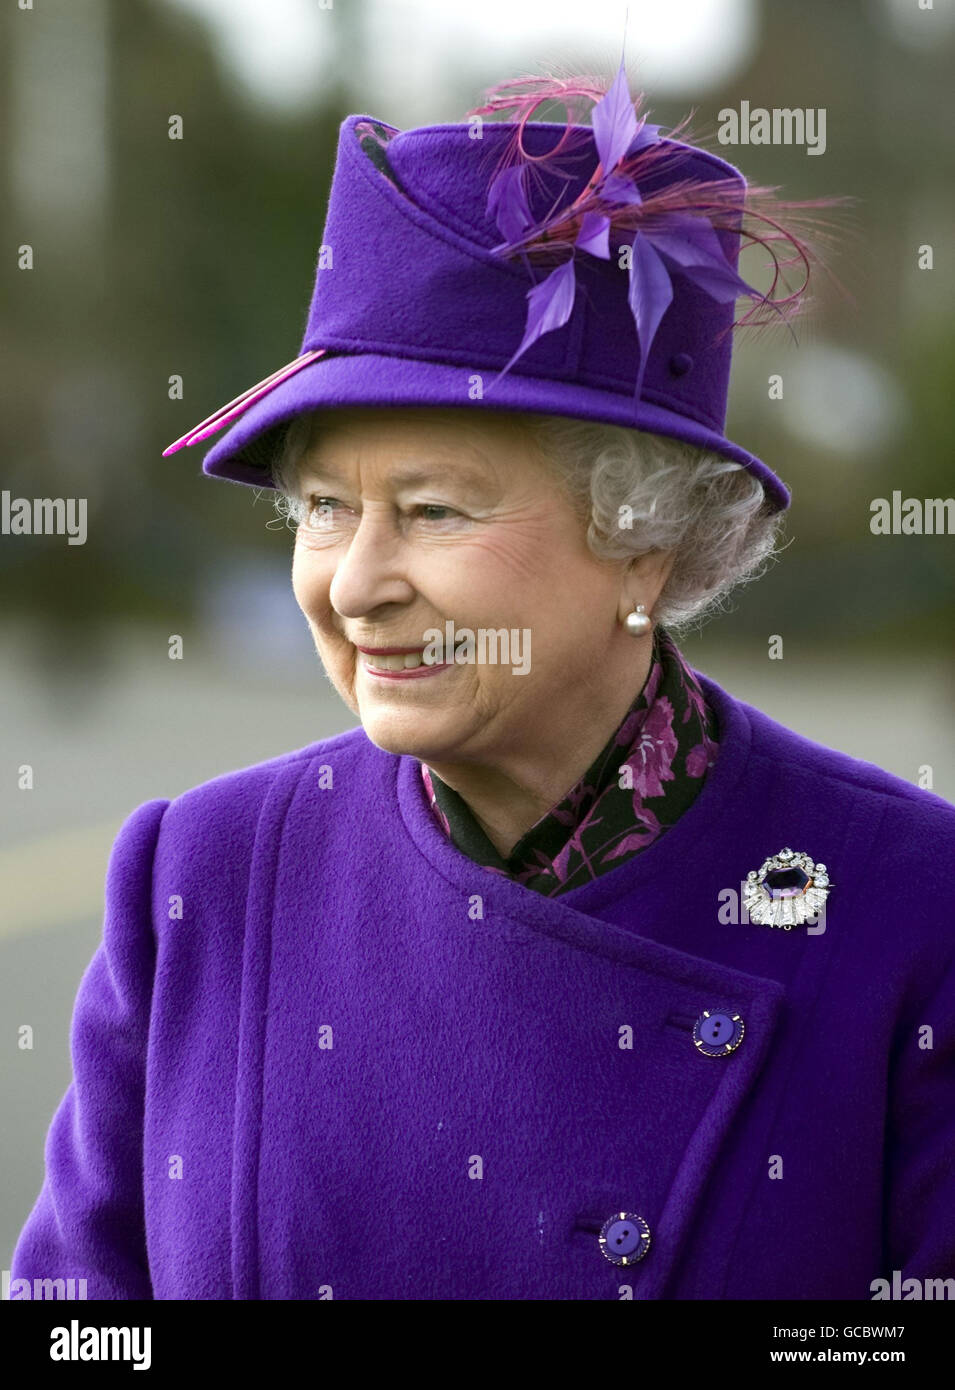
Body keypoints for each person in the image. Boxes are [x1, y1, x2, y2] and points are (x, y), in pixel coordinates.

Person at [11, 65, 955, 1302]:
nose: (353, 584)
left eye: (432, 510)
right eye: (325, 511)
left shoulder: (905, 906)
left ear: (645, 538)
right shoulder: (200, 874)